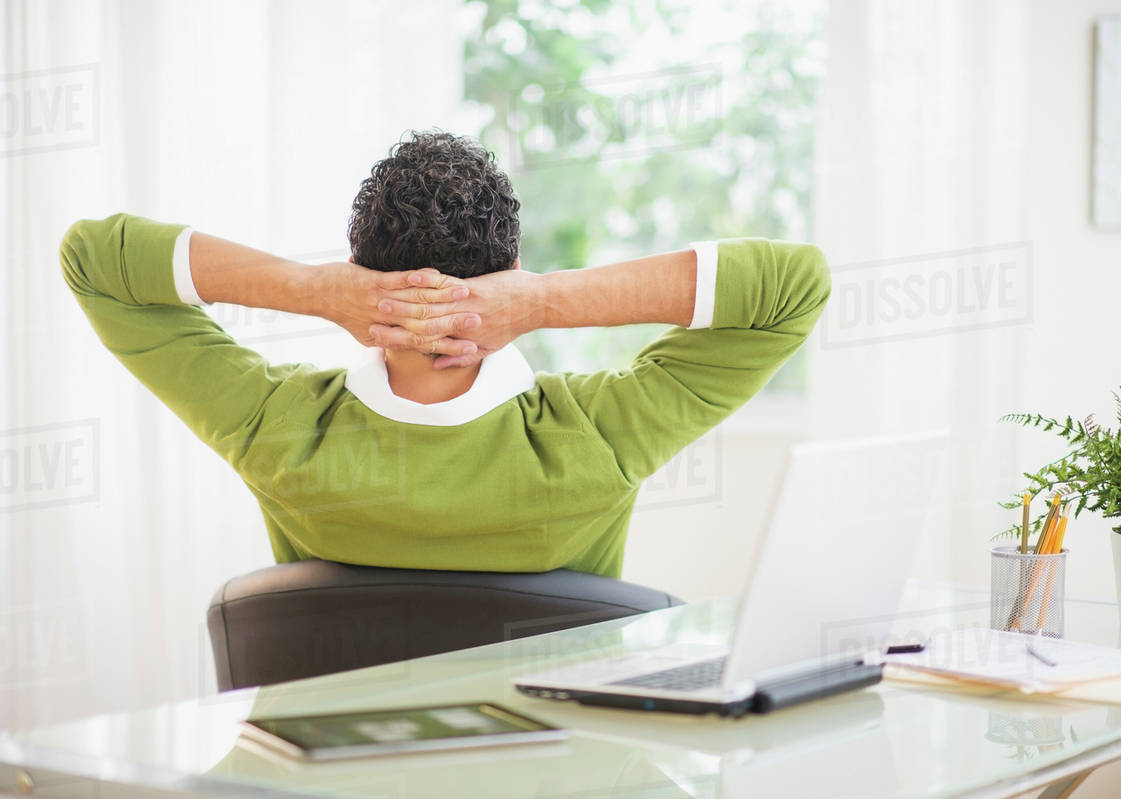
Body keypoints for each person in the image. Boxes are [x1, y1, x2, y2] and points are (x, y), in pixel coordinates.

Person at [59, 131, 830, 577]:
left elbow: (95, 261)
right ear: (511, 268)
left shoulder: (278, 430)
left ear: (357, 268)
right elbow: (794, 286)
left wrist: (316, 290)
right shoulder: (597, 438)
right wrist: (544, 301)